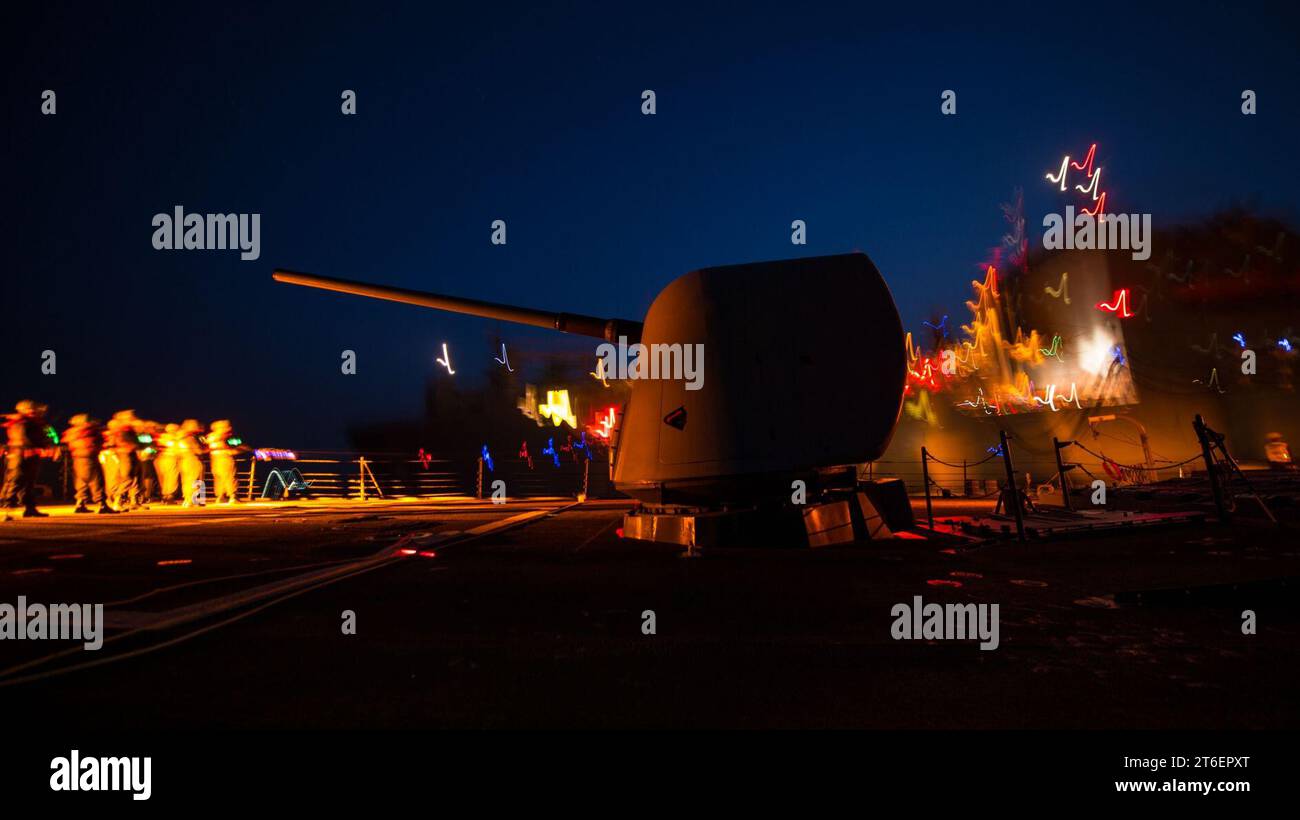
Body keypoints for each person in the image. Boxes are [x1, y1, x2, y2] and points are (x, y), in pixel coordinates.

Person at [1, 400, 57, 518]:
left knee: (29, 483)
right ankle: (6, 508)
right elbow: (21, 437)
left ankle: (30, 508)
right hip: (21, 454)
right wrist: (30, 448)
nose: (38, 411)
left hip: (31, 455)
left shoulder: (34, 423)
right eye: (34, 409)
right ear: (26, 410)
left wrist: (46, 447)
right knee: (15, 481)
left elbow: (41, 438)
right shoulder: (20, 422)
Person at [61, 414, 115, 514]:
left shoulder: (72, 432)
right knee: (96, 481)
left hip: (77, 458)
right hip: (90, 457)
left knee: (81, 481)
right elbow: (98, 442)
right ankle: (102, 504)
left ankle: (80, 503)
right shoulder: (89, 431)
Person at [205, 420, 246, 504]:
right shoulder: (223, 436)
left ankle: (220, 496)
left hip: (214, 459)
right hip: (225, 458)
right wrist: (241, 449)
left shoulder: (210, 437)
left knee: (219, 478)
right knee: (230, 477)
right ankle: (233, 496)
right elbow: (232, 446)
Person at [177, 419, 206, 507]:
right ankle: (191, 500)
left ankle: (187, 499)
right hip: (192, 460)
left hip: (184, 461)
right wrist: (204, 447)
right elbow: (199, 451)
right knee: (193, 481)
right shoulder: (190, 438)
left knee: (186, 481)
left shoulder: (180, 438)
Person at [134, 419, 160, 505]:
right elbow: (151, 448)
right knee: (146, 478)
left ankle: (144, 496)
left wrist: (153, 452)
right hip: (144, 459)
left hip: (143, 459)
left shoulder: (142, 435)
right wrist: (153, 452)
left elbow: (152, 448)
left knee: (145, 478)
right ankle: (144, 496)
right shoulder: (143, 436)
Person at [155, 422, 181, 502]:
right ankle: (169, 495)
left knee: (164, 477)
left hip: (161, 459)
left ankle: (165, 495)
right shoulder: (175, 438)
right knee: (171, 477)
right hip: (170, 458)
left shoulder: (161, 437)